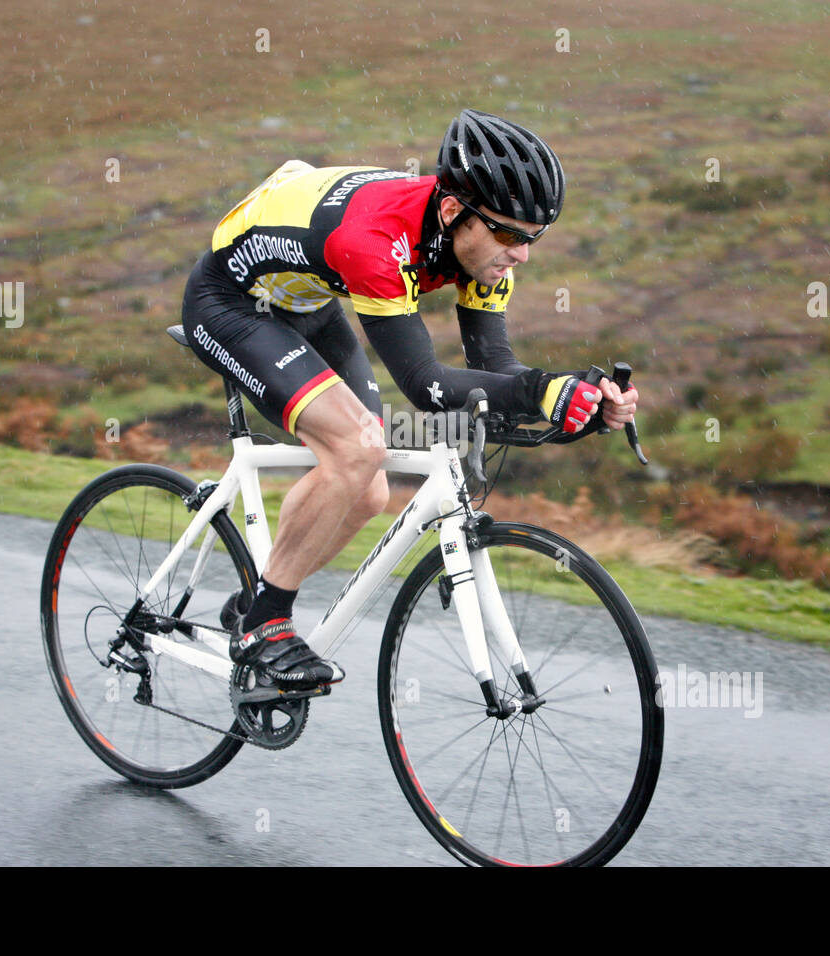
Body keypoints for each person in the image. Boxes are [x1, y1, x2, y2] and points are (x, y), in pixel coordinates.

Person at [179, 108, 638, 689]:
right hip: (229, 301)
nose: (520, 254)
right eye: (508, 235)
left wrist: (580, 406)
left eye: (532, 238)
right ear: (453, 212)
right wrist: (542, 391)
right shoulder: (377, 244)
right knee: (358, 448)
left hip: (307, 295)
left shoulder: (479, 249)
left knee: (368, 490)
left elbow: (494, 374)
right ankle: (263, 626)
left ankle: (253, 600)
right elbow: (426, 386)